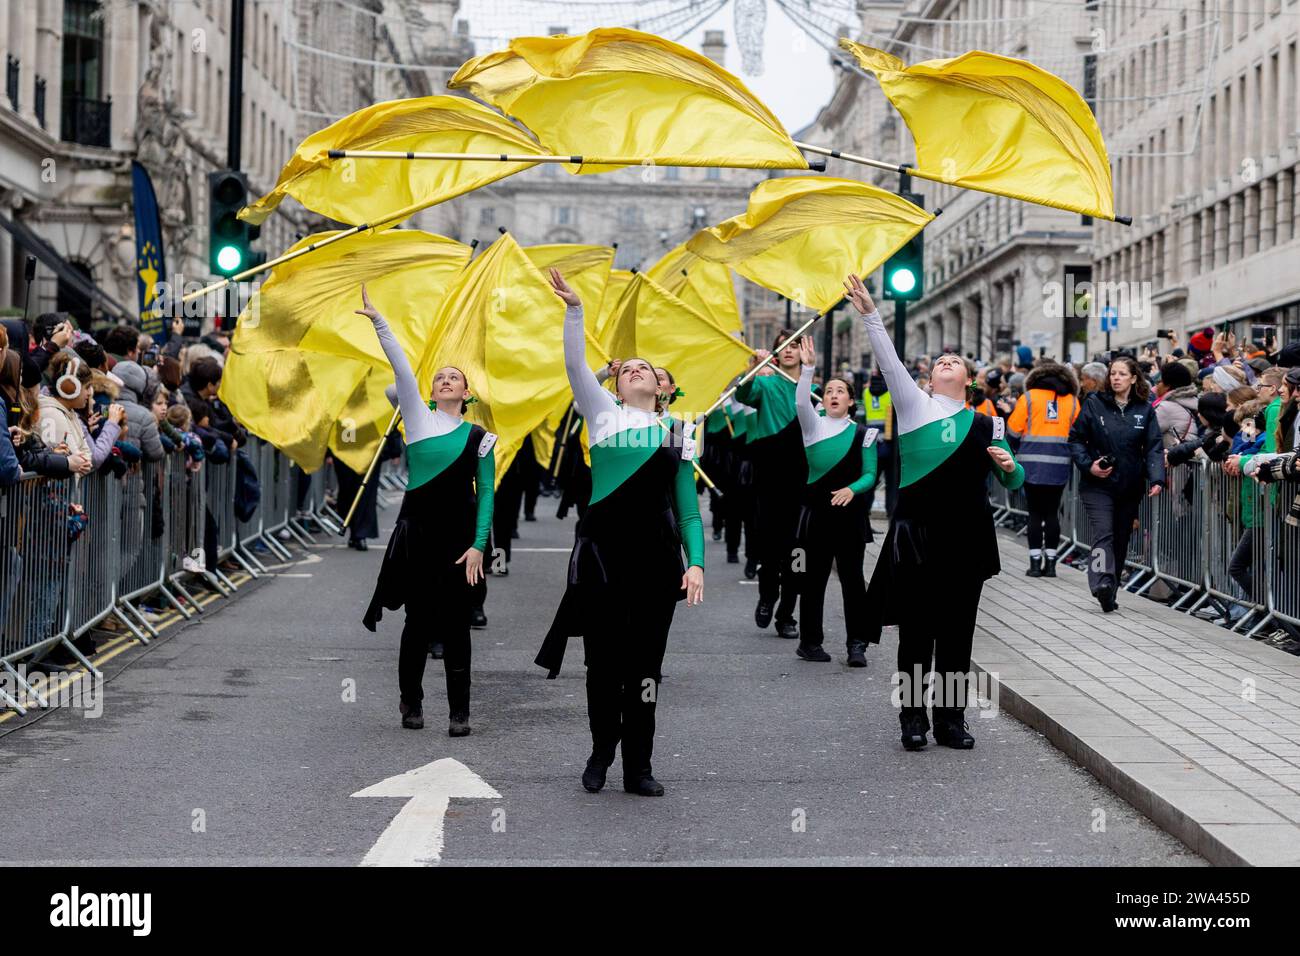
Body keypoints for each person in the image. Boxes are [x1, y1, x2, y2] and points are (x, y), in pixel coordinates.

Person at [536, 269, 704, 798]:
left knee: (647, 667)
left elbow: (688, 510)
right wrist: (575, 311)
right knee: (603, 665)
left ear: (662, 387)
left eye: (644, 369)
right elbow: (573, 368)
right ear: (615, 384)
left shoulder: (679, 433)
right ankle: (601, 749)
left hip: (657, 561)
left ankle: (639, 764)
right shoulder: (603, 416)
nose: (634, 371)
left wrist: (695, 562)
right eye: (626, 368)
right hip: (603, 557)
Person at [846, 275, 1024, 751]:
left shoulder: (990, 423)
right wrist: (870, 314)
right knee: (916, 635)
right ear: (927, 380)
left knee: (957, 637)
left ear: (969, 380)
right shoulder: (913, 404)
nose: (947, 361)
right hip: (917, 538)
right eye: (940, 361)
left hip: (967, 539)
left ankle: (951, 720)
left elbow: (1013, 479)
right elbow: (887, 359)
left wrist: (1009, 467)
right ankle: (912, 718)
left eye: (956, 361)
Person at [356, 286, 496, 738]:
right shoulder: (417, 417)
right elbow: (399, 364)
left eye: (454, 377)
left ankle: (460, 712)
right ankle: (411, 702)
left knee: (457, 627)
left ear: (467, 392)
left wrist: (479, 546)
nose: (445, 380)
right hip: (417, 534)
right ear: (431, 392)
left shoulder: (480, 436)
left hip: (460, 540)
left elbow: (488, 493)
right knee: (417, 624)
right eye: (439, 378)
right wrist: (380, 321)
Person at [792, 337, 878, 667]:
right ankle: (809, 642)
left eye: (840, 391)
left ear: (851, 400)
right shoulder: (812, 427)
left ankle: (857, 644)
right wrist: (808, 368)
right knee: (812, 581)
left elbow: (871, 474)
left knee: (853, 582)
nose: (833, 395)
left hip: (851, 517)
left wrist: (852, 490)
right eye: (828, 391)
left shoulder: (863, 434)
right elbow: (801, 403)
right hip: (817, 516)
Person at [1067, 355, 1166, 613]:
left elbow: (1155, 447)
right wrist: (1089, 464)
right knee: (1104, 534)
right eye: (1113, 374)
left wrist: (1157, 478)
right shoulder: (1094, 403)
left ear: (1134, 378)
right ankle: (1100, 583)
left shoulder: (1145, 409)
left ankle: (1111, 588)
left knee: (1121, 539)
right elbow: (1076, 439)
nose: (1116, 378)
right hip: (1097, 484)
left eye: (1122, 374)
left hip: (1129, 485)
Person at [734, 330, 807, 639]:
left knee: (798, 550)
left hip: (803, 474)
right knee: (770, 544)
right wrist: (753, 367)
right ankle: (767, 595)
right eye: (783, 347)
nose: (788, 351)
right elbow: (742, 395)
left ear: (804, 350)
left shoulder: (813, 389)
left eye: (794, 345)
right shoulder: (765, 383)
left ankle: (787, 614)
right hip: (770, 472)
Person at [1006, 360, 1080, 577]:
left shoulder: (1029, 397)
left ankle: (1035, 564)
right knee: (1052, 513)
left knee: (1035, 513)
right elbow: (1078, 434)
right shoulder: (1073, 401)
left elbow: (1013, 430)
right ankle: (1051, 565)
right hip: (1059, 464)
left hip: (1030, 464)